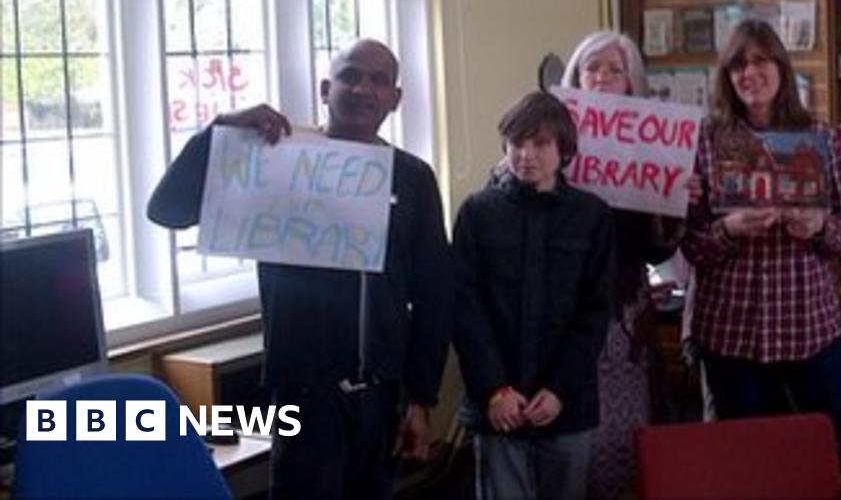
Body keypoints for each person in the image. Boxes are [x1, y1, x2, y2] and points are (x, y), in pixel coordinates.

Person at [147, 39, 455, 500]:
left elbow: (434, 293)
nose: (363, 89)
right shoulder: (271, 159)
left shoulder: (412, 176)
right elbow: (166, 210)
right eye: (350, 76)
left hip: (380, 396)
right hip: (303, 394)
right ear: (326, 89)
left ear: (396, 97)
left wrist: (421, 399)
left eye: (378, 80)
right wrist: (217, 133)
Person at [681, 19, 841, 485]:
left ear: (782, 69)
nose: (751, 73)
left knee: (838, 454)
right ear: (727, 76)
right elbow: (689, 246)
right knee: (745, 463)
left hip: (806, 327)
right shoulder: (704, 141)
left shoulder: (819, 138)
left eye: (761, 60)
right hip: (731, 331)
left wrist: (819, 226)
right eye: (739, 64)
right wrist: (727, 229)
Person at [453, 91, 615, 500]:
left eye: (540, 143)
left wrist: (561, 389)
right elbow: (465, 308)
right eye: (516, 143)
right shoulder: (477, 212)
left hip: (566, 404)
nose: (526, 154)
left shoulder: (592, 216)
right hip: (498, 405)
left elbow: (595, 314)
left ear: (563, 149)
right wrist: (493, 389)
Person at [558, 31, 683, 499]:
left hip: (621, 314)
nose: (604, 78)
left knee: (620, 435)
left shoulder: (651, 144)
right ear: (577, 77)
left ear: (632, 82)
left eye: (615, 70)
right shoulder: (552, 138)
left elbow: (657, 249)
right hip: (558, 313)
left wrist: (674, 204)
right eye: (594, 68)